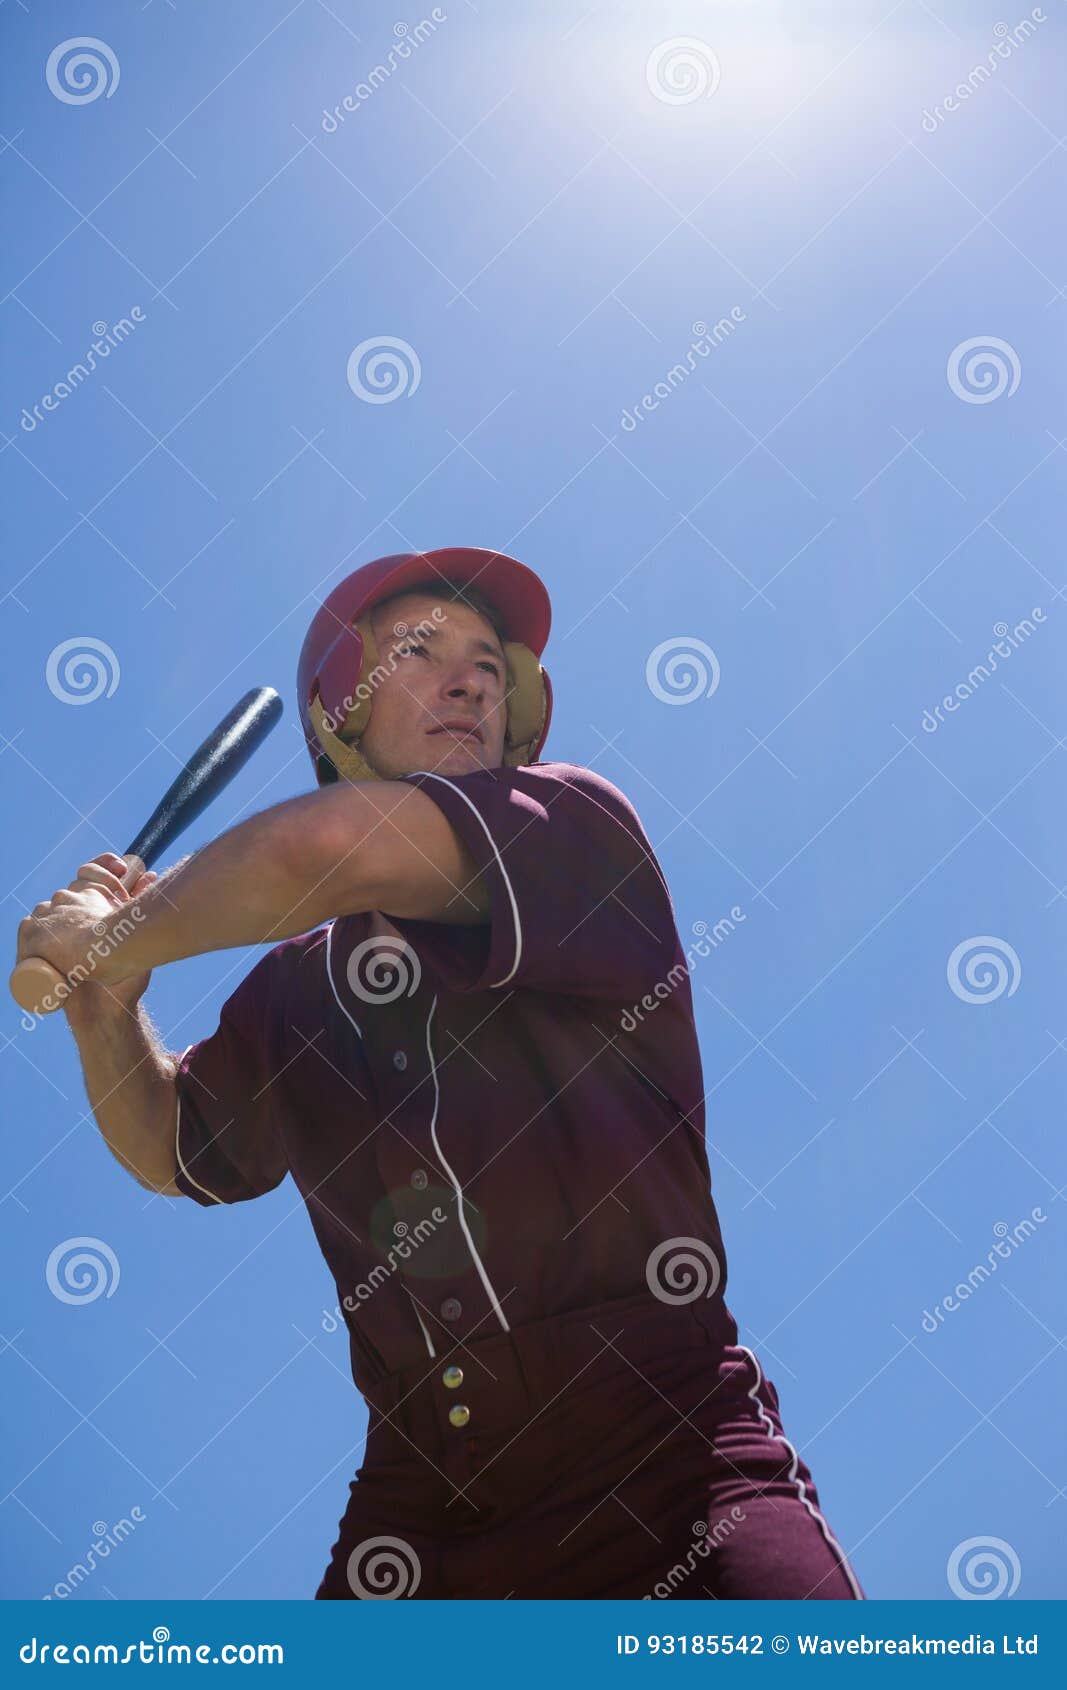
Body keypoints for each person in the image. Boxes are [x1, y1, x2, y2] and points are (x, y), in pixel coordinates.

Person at [15, 546, 864, 1600]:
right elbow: (174, 1148)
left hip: (670, 1459)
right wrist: (108, 1006)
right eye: (419, 652)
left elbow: (315, 852)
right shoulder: (290, 991)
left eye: (487, 665)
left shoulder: (573, 828)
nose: (469, 678)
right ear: (341, 716)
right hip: (421, 1514)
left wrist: (118, 930)